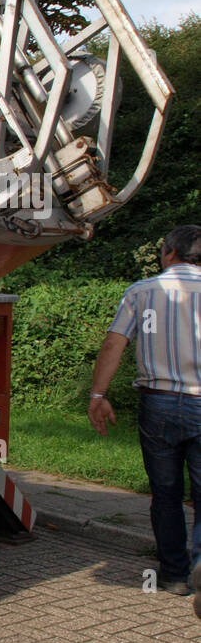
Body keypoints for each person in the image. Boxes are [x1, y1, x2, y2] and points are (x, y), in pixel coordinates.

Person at [88, 224, 201, 599]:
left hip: (159, 404)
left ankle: (174, 575)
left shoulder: (142, 292)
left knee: (166, 493)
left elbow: (114, 343)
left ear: (169, 253)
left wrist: (98, 394)